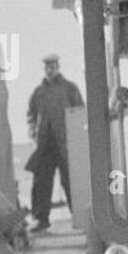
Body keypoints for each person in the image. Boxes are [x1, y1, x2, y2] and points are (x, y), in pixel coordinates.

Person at [26, 55, 84, 230]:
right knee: (41, 183)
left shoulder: (70, 88)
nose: (49, 70)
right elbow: (31, 115)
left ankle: (81, 218)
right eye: (47, 67)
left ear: (58, 67)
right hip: (45, 145)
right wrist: (33, 133)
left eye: (52, 67)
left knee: (72, 182)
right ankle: (41, 219)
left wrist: (78, 138)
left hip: (66, 144)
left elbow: (80, 112)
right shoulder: (38, 92)